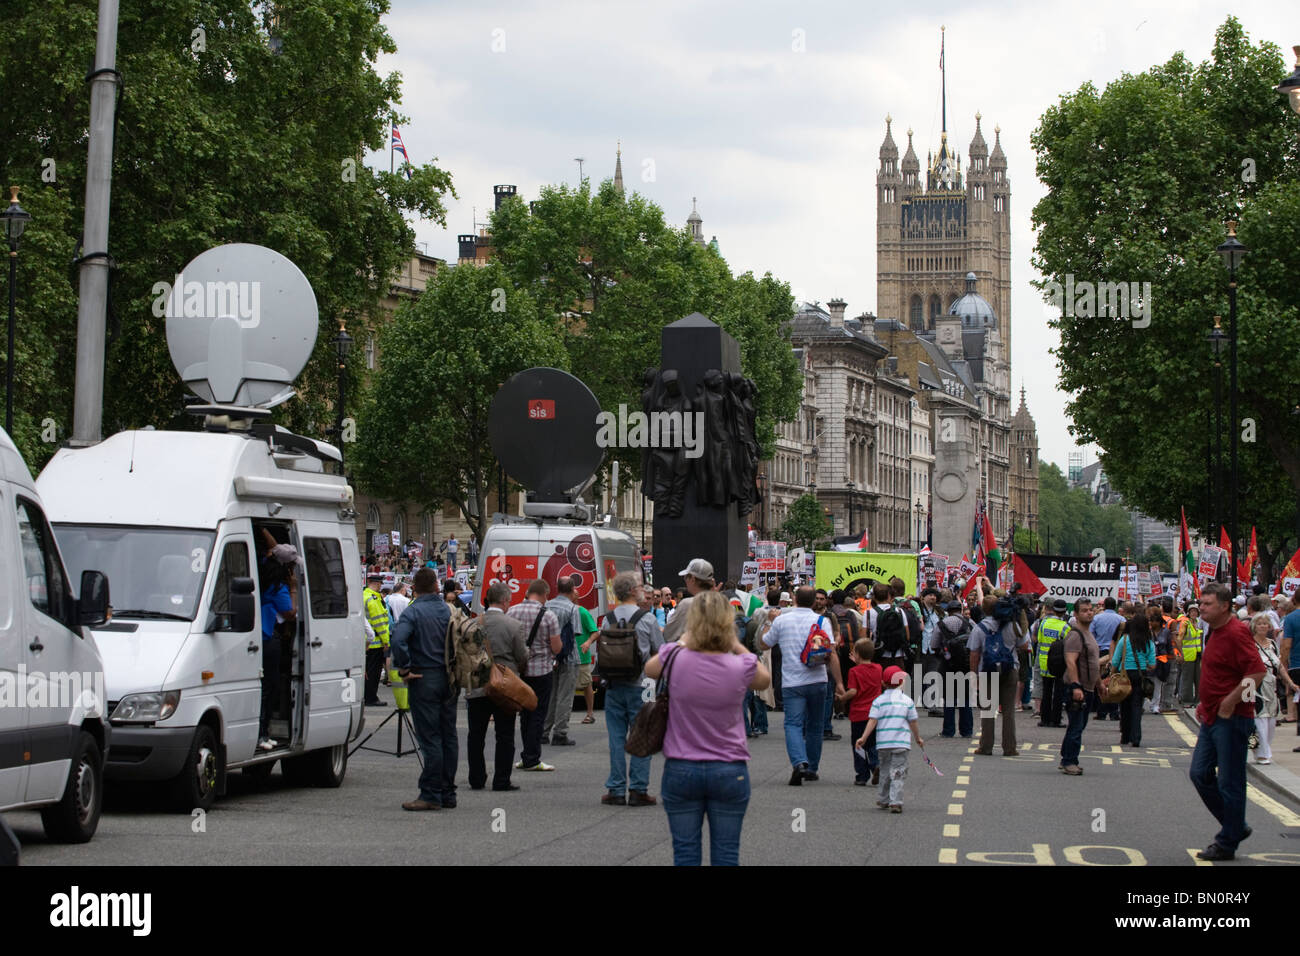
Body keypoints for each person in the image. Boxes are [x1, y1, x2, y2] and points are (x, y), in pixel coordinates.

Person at [644, 590, 770, 866]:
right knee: (726, 853)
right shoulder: (740, 665)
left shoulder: (674, 658)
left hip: (682, 765)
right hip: (729, 766)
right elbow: (764, 680)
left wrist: (686, 638)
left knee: (685, 853)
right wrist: (735, 643)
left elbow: (650, 669)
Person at [1190, 583, 1267, 860]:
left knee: (1230, 781)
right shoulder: (1213, 630)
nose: (1202, 607)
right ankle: (1235, 826)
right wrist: (1205, 702)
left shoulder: (1235, 633)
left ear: (1224, 606)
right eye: (1202, 602)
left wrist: (1232, 701)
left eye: (1208, 603)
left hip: (1233, 719)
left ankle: (1227, 841)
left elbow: (1257, 673)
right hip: (1212, 716)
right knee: (1199, 774)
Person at [762, 585, 846, 786]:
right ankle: (812, 768)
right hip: (818, 679)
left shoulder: (782, 620)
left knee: (793, 723)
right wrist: (840, 683)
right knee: (815, 726)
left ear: (795, 600)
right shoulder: (822, 621)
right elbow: (831, 652)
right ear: (814, 602)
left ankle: (799, 763)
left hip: (792, 681)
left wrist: (769, 621)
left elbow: (764, 643)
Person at [391, 568, 456, 810]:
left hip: (424, 676)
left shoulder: (414, 611)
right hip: (449, 677)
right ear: (437, 586)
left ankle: (430, 794)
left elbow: (398, 640)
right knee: (448, 736)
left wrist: (405, 668)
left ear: (415, 588)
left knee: (430, 738)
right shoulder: (446, 609)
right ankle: (448, 792)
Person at [600, 573, 664, 806]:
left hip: (614, 683)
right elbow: (660, 651)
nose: (641, 589)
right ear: (630, 591)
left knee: (616, 739)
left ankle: (616, 788)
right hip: (643, 683)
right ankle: (638, 789)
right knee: (642, 736)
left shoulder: (608, 619)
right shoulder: (646, 619)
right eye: (638, 586)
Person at [466, 582, 528, 792]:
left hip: (477, 683)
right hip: (504, 685)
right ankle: (501, 780)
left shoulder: (472, 623)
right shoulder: (513, 625)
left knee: (476, 734)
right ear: (504, 601)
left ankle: (476, 778)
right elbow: (522, 656)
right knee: (505, 734)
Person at [506, 580, 563, 772]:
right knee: (538, 714)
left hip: (519, 671)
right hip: (541, 671)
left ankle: (525, 756)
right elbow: (556, 647)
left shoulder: (512, 611)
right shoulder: (548, 616)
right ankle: (532, 757)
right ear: (545, 594)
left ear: (527, 592)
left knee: (524, 714)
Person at [968, 593, 1027, 757]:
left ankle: (986, 746)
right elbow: (1024, 645)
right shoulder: (1012, 625)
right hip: (1010, 669)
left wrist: (974, 676)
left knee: (988, 710)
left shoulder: (979, 628)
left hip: (988, 671)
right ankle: (1010, 747)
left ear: (983, 609)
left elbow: (974, 654)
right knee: (1008, 711)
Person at [858, 665, 923, 813]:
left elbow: (872, 720)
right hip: (901, 743)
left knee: (885, 771)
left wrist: (863, 737)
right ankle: (896, 801)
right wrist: (918, 738)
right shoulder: (907, 701)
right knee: (898, 772)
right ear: (902, 682)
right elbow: (913, 722)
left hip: (883, 743)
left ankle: (882, 799)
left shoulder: (879, 701)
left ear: (883, 683)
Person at [258, 551, 298, 751]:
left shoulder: (263, 583)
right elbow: (290, 612)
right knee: (269, 687)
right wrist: (293, 588)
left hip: (260, 638)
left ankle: (262, 732)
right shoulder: (278, 588)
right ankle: (263, 733)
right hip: (270, 638)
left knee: (263, 688)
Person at [543, 576, 584, 747]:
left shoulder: (547, 605)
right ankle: (560, 732)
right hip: (569, 657)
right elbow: (575, 633)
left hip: (549, 656)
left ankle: (544, 731)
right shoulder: (573, 609)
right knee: (565, 696)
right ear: (573, 589)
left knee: (550, 695)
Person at [840, 638, 882, 785]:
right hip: (875, 714)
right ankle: (876, 764)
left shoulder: (854, 671)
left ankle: (862, 775)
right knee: (872, 742)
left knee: (858, 744)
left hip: (858, 713)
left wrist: (842, 698)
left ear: (856, 654)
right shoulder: (878, 668)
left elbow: (853, 691)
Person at [1114, 610, 1155, 748]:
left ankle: (1125, 736)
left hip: (1125, 674)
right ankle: (1136, 737)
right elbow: (1152, 664)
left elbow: (1115, 660)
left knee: (1124, 706)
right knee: (1137, 706)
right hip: (1140, 675)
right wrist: (1145, 664)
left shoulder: (1124, 639)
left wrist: (1112, 673)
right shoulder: (1148, 642)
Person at [937, 600, 973, 738]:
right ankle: (966, 730)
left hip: (948, 664)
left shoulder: (942, 624)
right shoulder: (970, 623)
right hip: (965, 664)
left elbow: (934, 644)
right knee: (965, 698)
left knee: (949, 698)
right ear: (960, 610)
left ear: (949, 610)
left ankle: (948, 730)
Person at [1251, 611, 1282, 766]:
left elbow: (1280, 666)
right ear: (1254, 626)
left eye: (1265, 624)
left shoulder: (1273, 644)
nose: (1263, 626)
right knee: (1259, 721)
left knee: (1270, 722)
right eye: (1260, 623)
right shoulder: (1250, 645)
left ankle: (1263, 750)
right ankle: (1262, 753)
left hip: (1272, 687)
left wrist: (1290, 683)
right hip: (1255, 687)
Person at [1035, 599, 1070, 728]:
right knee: (1059, 692)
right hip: (1059, 662)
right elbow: (1068, 645)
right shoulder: (1065, 626)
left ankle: (1044, 719)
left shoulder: (1043, 623)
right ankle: (1055, 719)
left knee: (1047, 691)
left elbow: (1039, 640)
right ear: (1064, 611)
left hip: (1044, 660)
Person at [664, 558, 715, 643]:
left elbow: (669, 634)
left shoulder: (688, 604)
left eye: (685, 577)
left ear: (693, 579)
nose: (685, 581)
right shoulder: (722, 603)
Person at [573, 575, 600, 725]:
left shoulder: (582, 612)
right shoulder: (563, 610)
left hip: (581, 656)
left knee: (586, 684)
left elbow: (595, 631)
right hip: (567, 656)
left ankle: (590, 713)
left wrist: (588, 642)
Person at [362, 572, 390, 707]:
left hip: (365, 641)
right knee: (373, 673)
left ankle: (366, 696)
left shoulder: (364, 595)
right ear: (377, 584)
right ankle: (371, 697)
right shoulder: (373, 598)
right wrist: (386, 641)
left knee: (366, 672)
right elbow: (379, 622)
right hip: (375, 642)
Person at [1179, 602, 1205, 705]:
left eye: (1195, 611)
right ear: (1188, 613)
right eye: (1192, 611)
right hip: (1188, 655)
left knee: (1199, 678)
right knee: (1187, 678)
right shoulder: (1185, 624)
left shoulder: (1199, 622)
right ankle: (1186, 699)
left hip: (1198, 655)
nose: (1194, 613)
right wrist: (1180, 654)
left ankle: (1198, 699)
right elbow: (1179, 639)